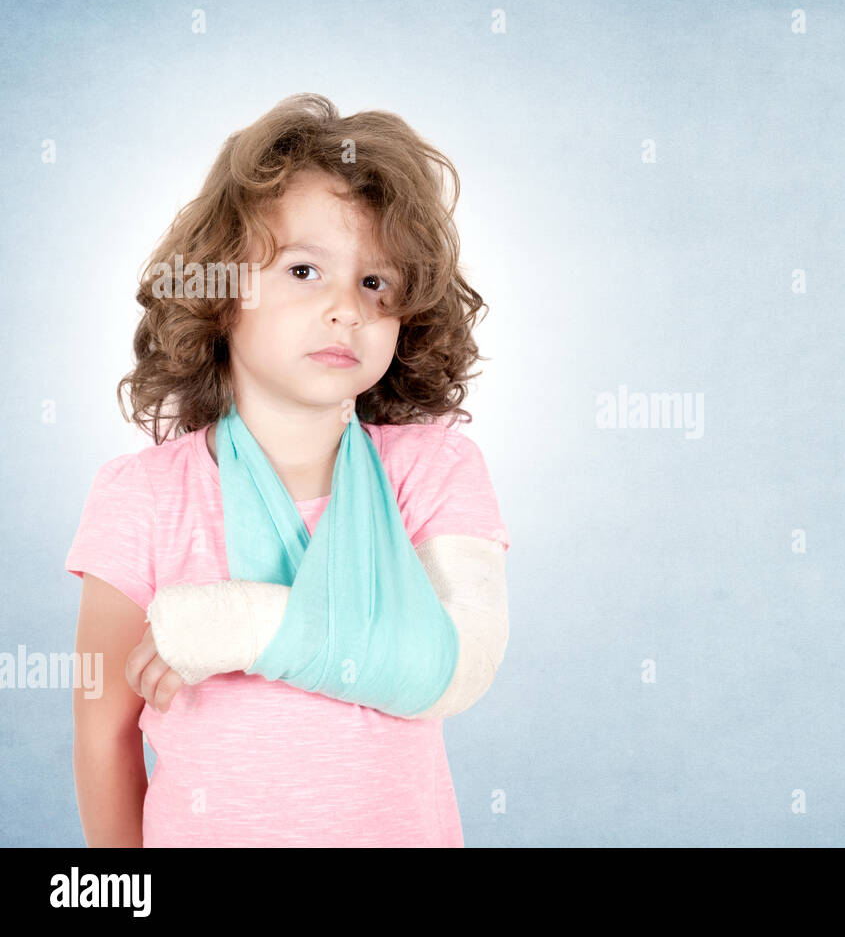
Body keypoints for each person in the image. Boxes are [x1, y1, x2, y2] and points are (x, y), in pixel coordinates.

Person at [64, 93, 511, 847]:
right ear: (218, 294)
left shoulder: (432, 471)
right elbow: (101, 735)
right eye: (305, 270)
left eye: (377, 283)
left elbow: (455, 665)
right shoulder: (143, 498)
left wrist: (239, 626)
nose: (348, 308)